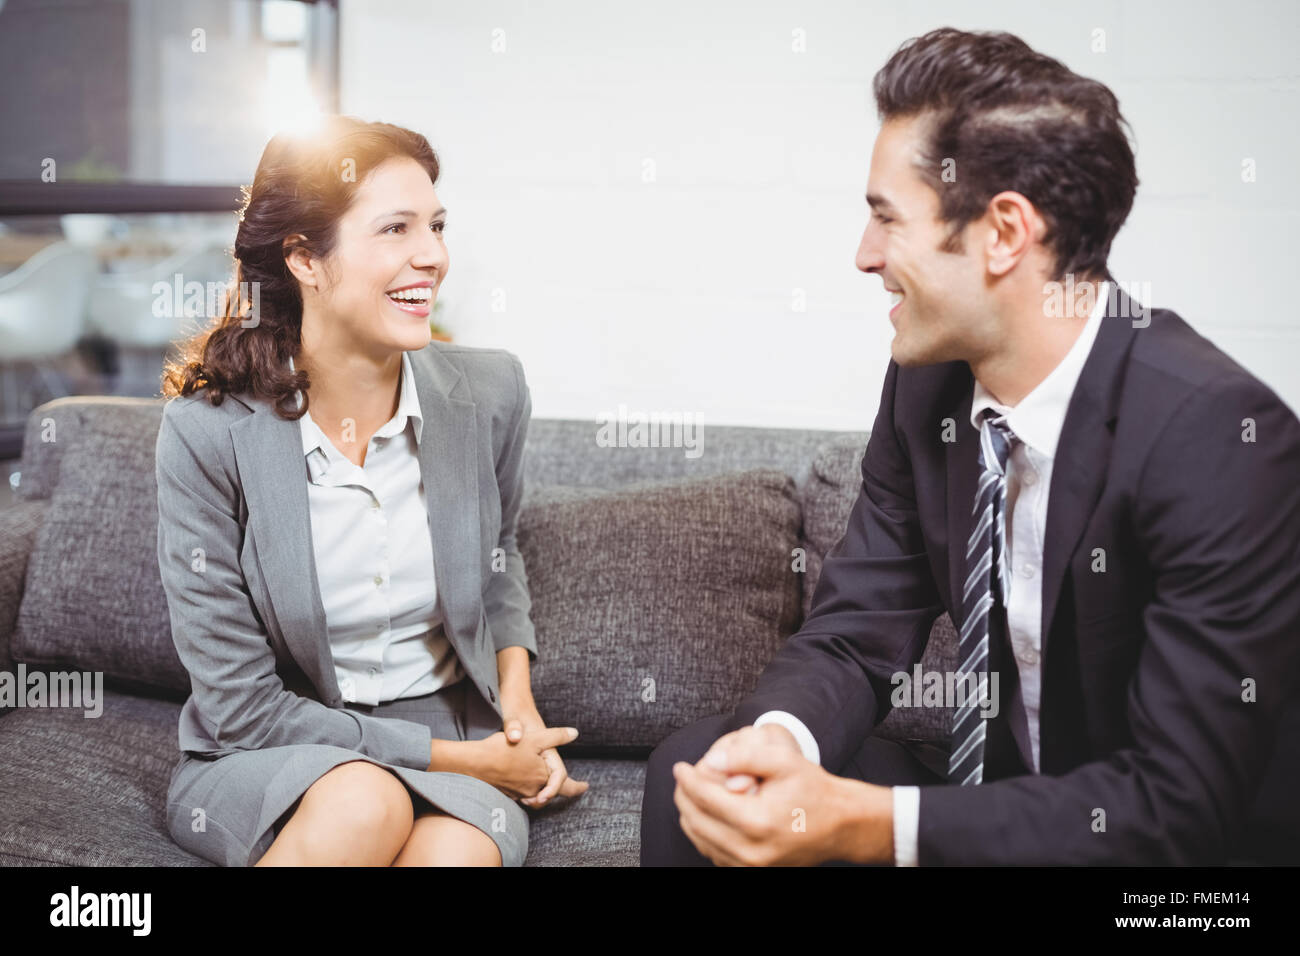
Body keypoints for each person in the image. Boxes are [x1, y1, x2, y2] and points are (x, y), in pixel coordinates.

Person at [641, 27, 1300, 866]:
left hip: (1173, 863)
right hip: (994, 802)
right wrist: (784, 742)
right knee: (696, 778)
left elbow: (1179, 804)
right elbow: (855, 628)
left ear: (1003, 233)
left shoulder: (1218, 436)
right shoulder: (928, 387)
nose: (863, 255)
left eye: (886, 218)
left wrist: (871, 827)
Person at [156, 115, 587, 867]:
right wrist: (469, 765)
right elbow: (241, 707)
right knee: (365, 801)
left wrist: (516, 715)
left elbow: (498, 558)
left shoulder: (490, 393)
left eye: (438, 226)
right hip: (275, 741)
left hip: (455, 725)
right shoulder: (207, 434)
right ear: (305, 260)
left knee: (456, 857)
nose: (434, 255)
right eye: (395, 229)